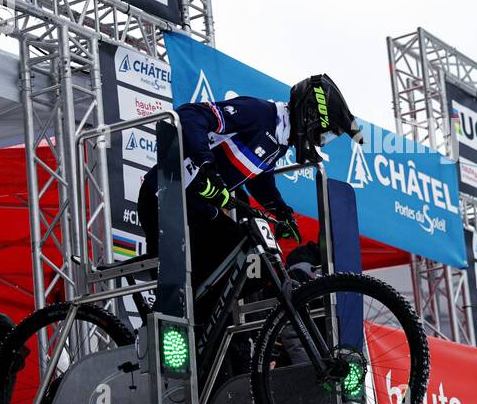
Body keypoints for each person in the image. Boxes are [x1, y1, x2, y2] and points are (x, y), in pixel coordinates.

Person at [136, 74, 363, 292]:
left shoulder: (280, 139)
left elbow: (259, 177)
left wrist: (280, 210)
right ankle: (178, 324)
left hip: (197, 209)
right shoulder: (260, 113)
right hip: (164, 198)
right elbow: (191, 115)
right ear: (311, 117)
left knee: (257, 269)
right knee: (212, 272)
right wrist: (207, 165)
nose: (321, 143)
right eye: (324, 134)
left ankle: (205, 327)